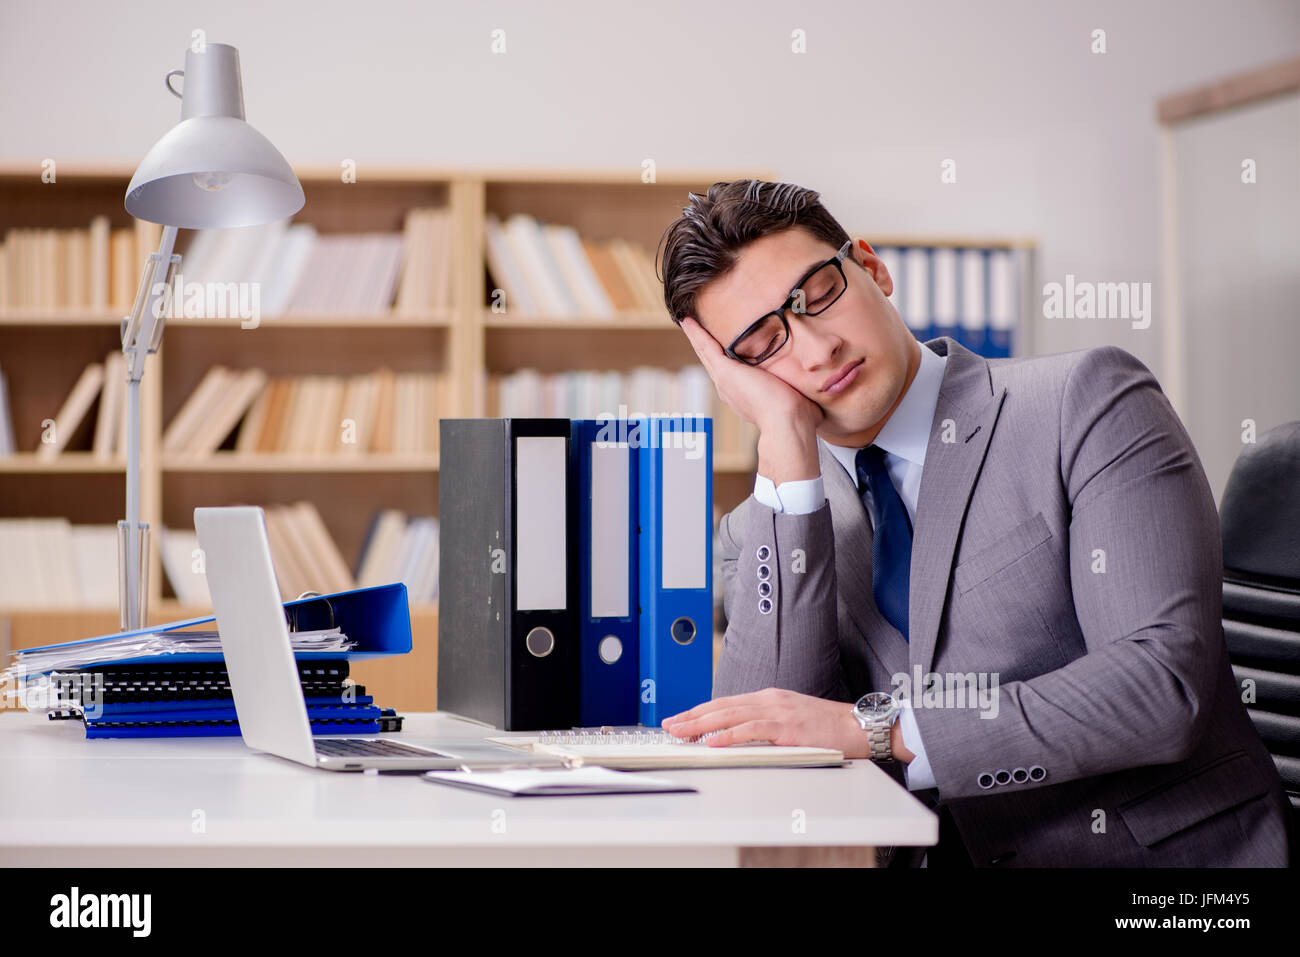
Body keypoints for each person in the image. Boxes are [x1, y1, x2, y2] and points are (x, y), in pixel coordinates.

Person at [655, 179, 1291, 867]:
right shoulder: (767, 524)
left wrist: (878, 731)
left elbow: (1160, 686)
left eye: (818, 296)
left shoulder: (1085, 403)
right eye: (762, 343)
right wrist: (781, 440)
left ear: (871, 266)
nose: (815, 351)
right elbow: (764, 767)